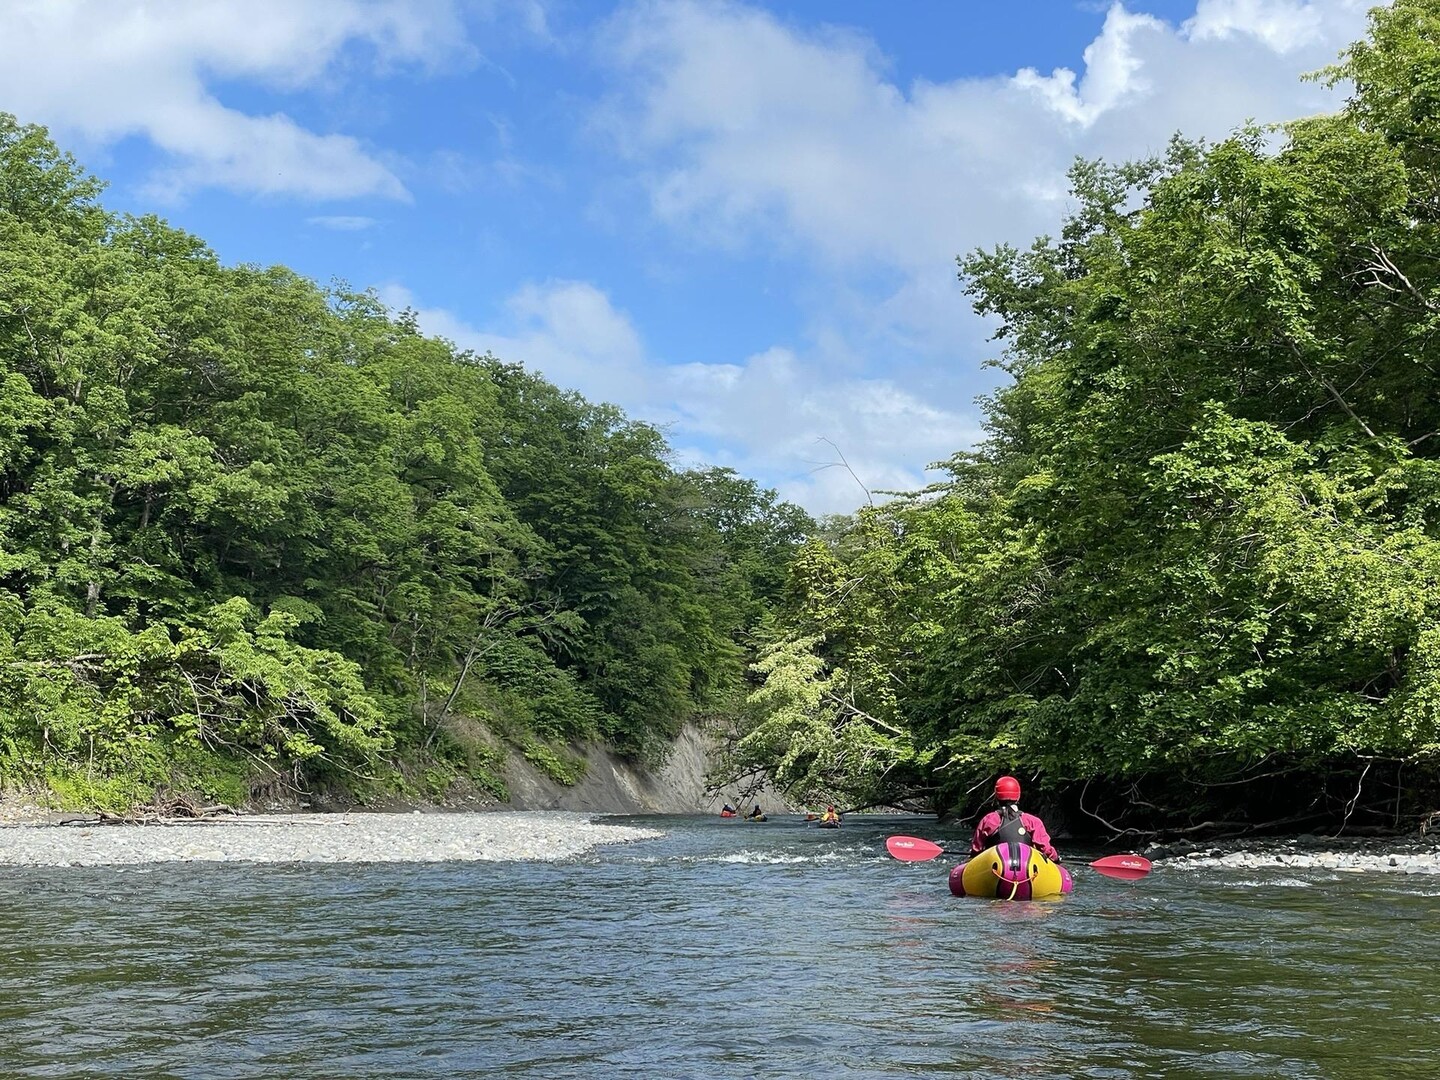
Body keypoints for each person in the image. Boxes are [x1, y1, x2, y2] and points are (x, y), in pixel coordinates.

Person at [971, 775, 1060, 861]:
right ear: (1018, 797)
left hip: (994, 867)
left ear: (997, 797)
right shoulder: (1032, 821)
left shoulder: (989, 820)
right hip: (1027, 868)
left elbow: (977, 849)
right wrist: (1056, 858)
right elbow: (1045, 849)